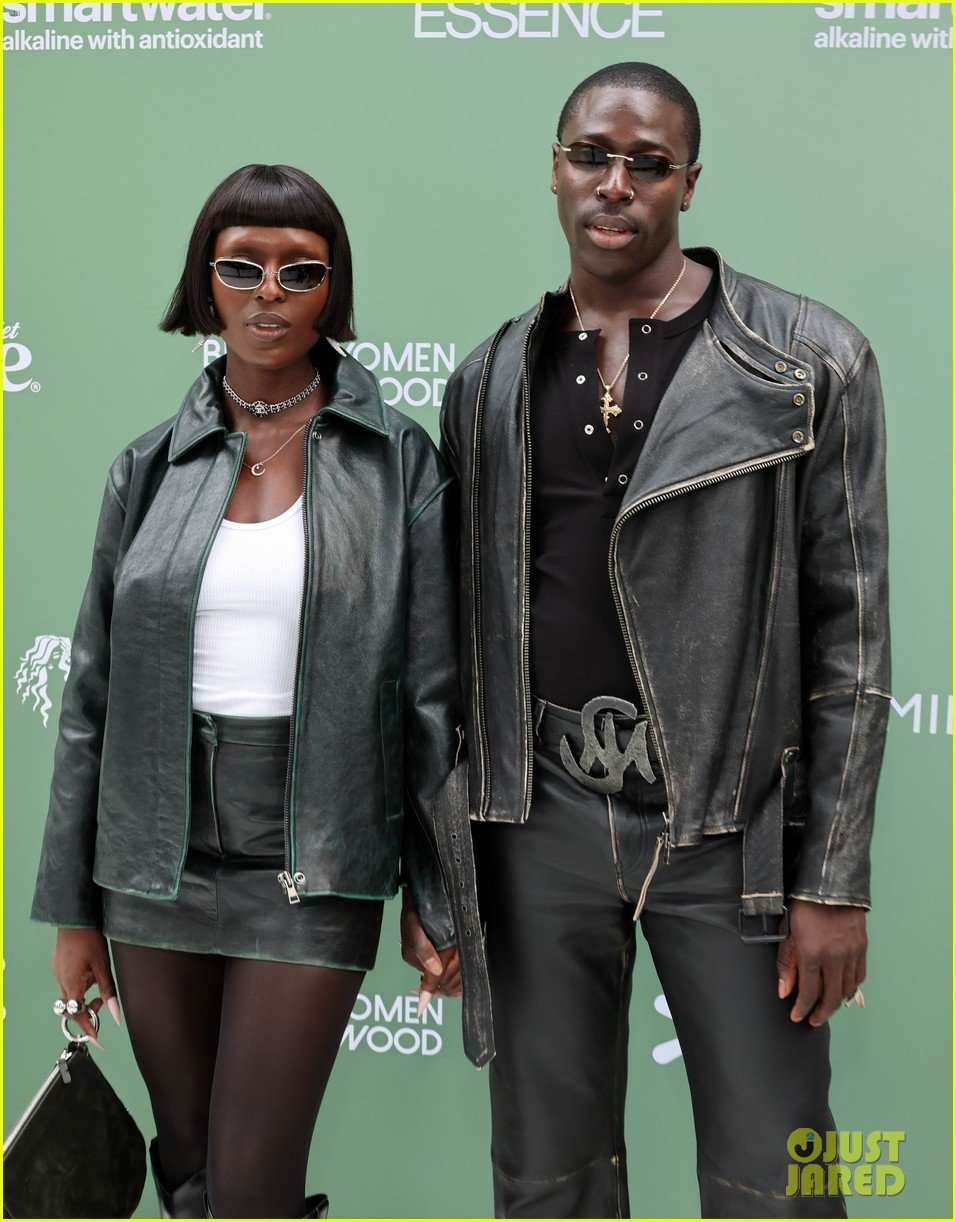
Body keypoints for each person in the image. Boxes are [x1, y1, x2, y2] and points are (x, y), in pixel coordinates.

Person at [420, 63, 890, 1218]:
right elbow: (453, 650)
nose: (613, 182)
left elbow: (853, 639)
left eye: (645, 162)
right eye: (591, 154)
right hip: (538, 817)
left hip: (731, 829)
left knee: (773, 1172)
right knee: (545, 1173)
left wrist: (830, 879)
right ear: (553, 168)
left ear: (687, 181)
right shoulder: (487, 380)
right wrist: (445, 871)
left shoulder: (807, 363)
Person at [30, 163, 468, 1220]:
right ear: (206, 282)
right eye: (241, 266)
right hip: (150, 856)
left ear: (331, 287)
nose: (268, 291)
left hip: (313, 851)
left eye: (298, 271)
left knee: (252, 1183)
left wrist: (436, 890)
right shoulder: (149, 467)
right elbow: (89, 695)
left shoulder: (397, 461)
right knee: (187, 1166)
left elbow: (432, 696)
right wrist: (73, 909)